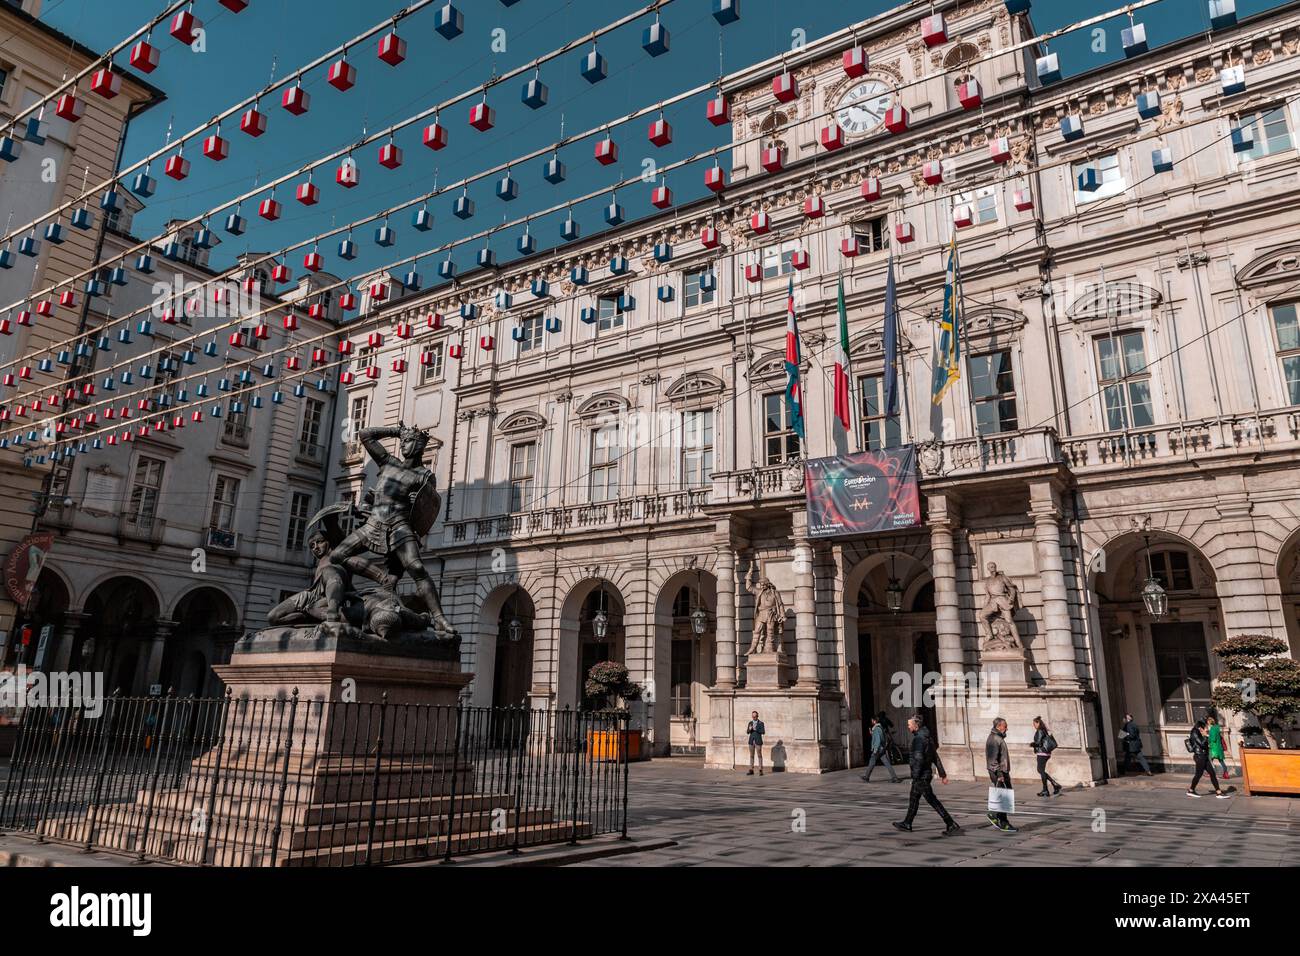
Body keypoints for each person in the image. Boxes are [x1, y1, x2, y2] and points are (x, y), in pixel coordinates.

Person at [892, 714, 960, 835]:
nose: (908, 726)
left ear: (916, 726)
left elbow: (918, 759)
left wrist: (915, 776)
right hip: (925, 774)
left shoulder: (918, 739)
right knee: (913, 799)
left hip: (921, 776)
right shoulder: (927, 737)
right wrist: (943, 774)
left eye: (909, 724)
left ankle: (950, 823)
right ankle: (907, 823)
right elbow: (935, 757)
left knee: (932, 800)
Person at [986, 717, 1018, 832]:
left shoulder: (997, 738)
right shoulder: (994, 739)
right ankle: (995, 816)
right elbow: (993, 759)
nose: (1007, 728)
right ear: (998, 726)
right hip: (999, 772)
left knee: (1005, 795)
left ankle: (1001, 821)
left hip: (1002, 771)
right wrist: (999, 774)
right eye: (1005, 726)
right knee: (1005, 796)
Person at [1187, 720, 1230, 799]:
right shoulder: (1195, 732)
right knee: (1198, 774)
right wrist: (1206, 736)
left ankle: (1218, 792)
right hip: (1200, 756)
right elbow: (1202, 743)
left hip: (1204, 756)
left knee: (1212, 773)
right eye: (1205, 727)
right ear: (1200, 727)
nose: (1206, 728)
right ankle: (1191, 790)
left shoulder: (1198, 732)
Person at [862, 714, 899, 783]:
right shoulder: (880, 728)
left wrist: (875, 750)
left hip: (878, 749)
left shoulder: (876, 729)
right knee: (887, 763)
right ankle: (894, 777)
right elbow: (882, 738)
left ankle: (866, 777)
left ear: (874, 721)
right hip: (882, 749)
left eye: (872, 720)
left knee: (872, 762)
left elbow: (878, 740)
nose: (871, 721)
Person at [1032, 716, 1062, 797]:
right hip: (1046, 753)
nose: (1033, 725)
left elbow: (1038, 742)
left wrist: (1032, 744)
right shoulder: (1044, 730)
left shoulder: (1039, 731)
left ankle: (1053, 785)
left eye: (1034, 724)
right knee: (1041, 771)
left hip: (1042, 753)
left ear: (1038, 723)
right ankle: (1046, 789)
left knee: (1040, 770)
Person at [1206, 714, 1230, 779]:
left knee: (1209, 760)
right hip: (1219, 747)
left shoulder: (1212, 729)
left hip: (1214, 748)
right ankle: (1226, 773)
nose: (1207, 723)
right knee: (1221, 761)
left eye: (1208, 722)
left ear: (1210, 722)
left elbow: (1213, 739)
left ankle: (1211, 773)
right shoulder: (1217, 728)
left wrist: (1207, 736)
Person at [746, 711, 766, 776]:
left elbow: (763, 732)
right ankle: (751, 769)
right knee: (751, 756)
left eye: (755, 716)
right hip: (751, 741)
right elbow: (747, 732)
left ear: (757, 716)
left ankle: (760, 770)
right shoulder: (750, 723)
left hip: (758, 741)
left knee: (759, 755)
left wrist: (756, 729)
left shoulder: (761, 723)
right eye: (753, 716)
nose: (754, 717)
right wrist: (750, 729)